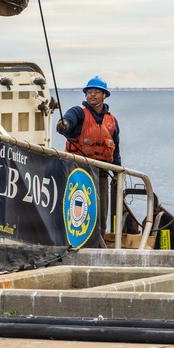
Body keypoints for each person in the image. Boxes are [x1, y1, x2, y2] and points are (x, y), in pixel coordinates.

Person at [56, 76, 120, 239]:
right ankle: (73, 241)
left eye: (96, 92)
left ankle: (99, 242)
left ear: (104, 95)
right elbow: (68, 122)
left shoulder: (111, 121)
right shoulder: (78, 112)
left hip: (102, 173)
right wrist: (64, 124)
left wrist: (118, 173)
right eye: (89, 91)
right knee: (78, 211)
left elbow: (116, 148)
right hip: (79, 172)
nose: (92, 95)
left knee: (100, 212)